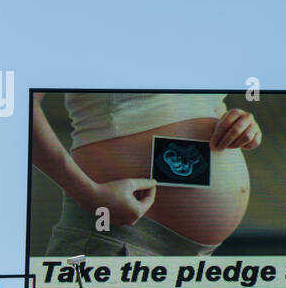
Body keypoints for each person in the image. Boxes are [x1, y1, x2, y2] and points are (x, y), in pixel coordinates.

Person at [32, 91, 262, 257]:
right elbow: (20, 102)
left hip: (198, 260)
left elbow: (203, 107)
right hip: (116, 237)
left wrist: (240, 125)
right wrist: (89, 195)